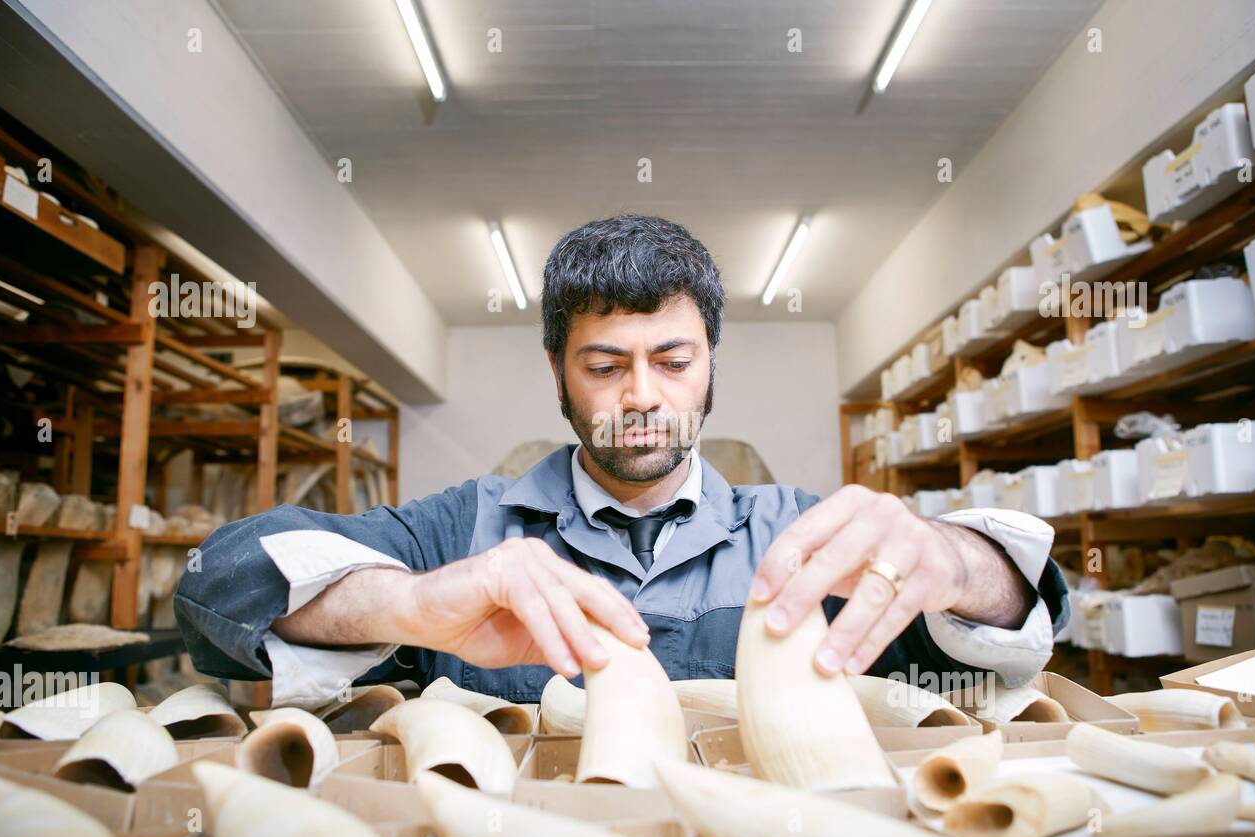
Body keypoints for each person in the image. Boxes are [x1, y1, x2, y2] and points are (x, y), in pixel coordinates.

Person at [174, 214, 1068, 707]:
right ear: (559, 377)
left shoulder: (805, 535)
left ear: (711, 365)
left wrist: (952, 559)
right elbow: (223, 577)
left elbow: (1013, 624)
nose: (642, 395)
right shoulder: (465, 529)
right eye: (605, 366)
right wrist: (410, 603)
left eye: (673, 362)